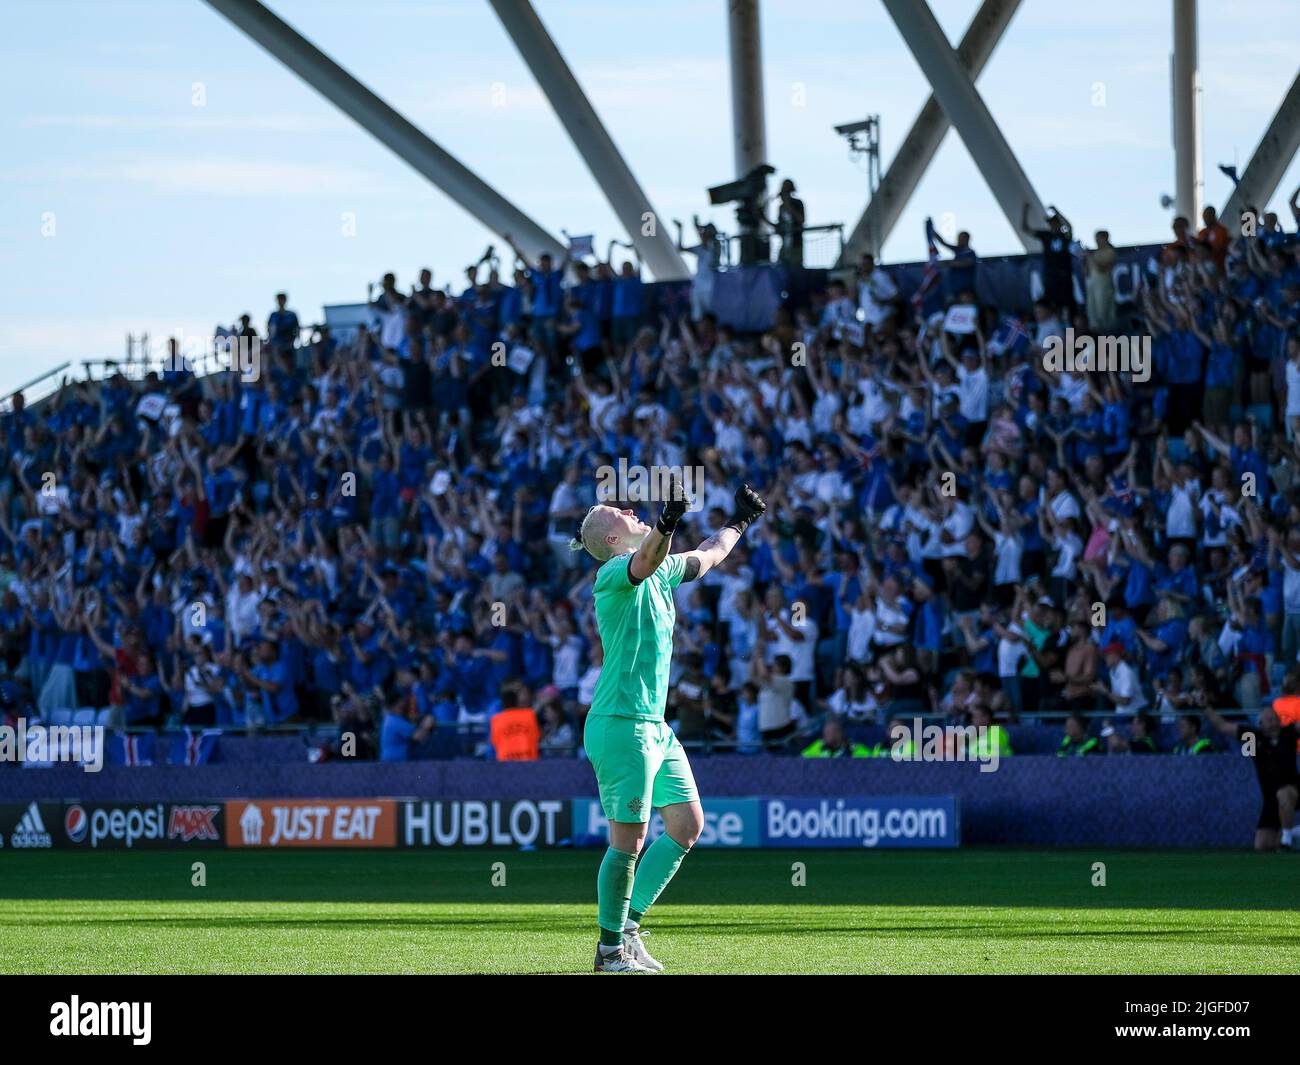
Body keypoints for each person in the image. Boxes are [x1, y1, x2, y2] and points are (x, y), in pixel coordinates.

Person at [571, 477, 766, 972]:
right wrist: (665, 521)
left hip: (653, 727)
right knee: (629, 842)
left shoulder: (660, 570)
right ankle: (608, 949)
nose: (630, 511)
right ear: (612, 539)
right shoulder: (616, 572)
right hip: (621, 723)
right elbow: (647, 559)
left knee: (686, 824)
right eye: (622, 513)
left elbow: (709, 554)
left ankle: (629, 929)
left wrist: (739, 520)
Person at [1202, 705, 1299, 851]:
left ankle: (1286, 841)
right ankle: (1294, 833)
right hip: (1270, 799)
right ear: (1260, 724)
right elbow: (1223, 726)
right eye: (1268, 720)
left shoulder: (1288, 734)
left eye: (1275, 719)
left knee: (1283, 794)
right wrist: (1205, 707)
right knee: (1262, 845)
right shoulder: (1253, 738)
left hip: (1293, 791)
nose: (1272, 723)